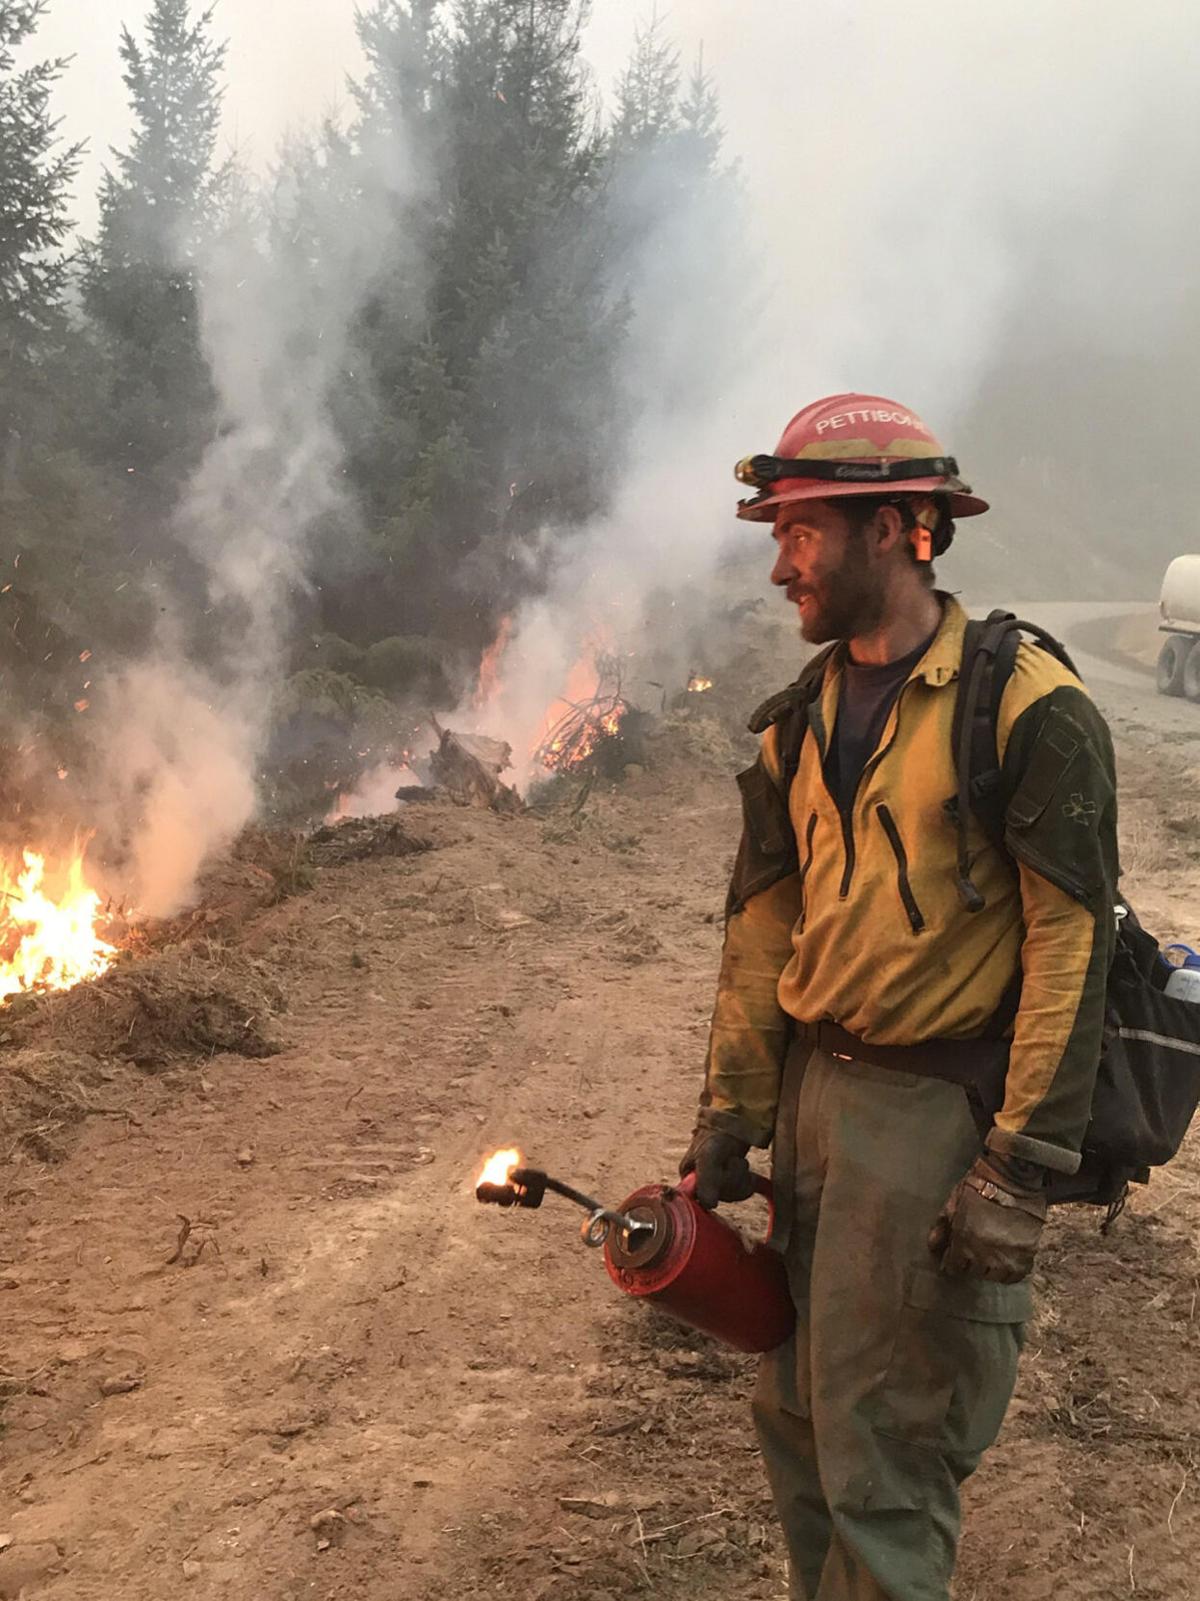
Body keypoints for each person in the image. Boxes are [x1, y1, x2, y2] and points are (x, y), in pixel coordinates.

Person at [680, 393, 1119, 1601]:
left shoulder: (1029, 710)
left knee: (886, 1452)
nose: (779, 564)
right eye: (777, 532)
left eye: (802, 531)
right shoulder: (798, 724)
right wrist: (730, 1113)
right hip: (819, 1100)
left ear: (894, 528)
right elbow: (764, 927)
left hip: (932, 1117)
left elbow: (1070, 943)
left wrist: (1021, 1166)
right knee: (802, 1417)